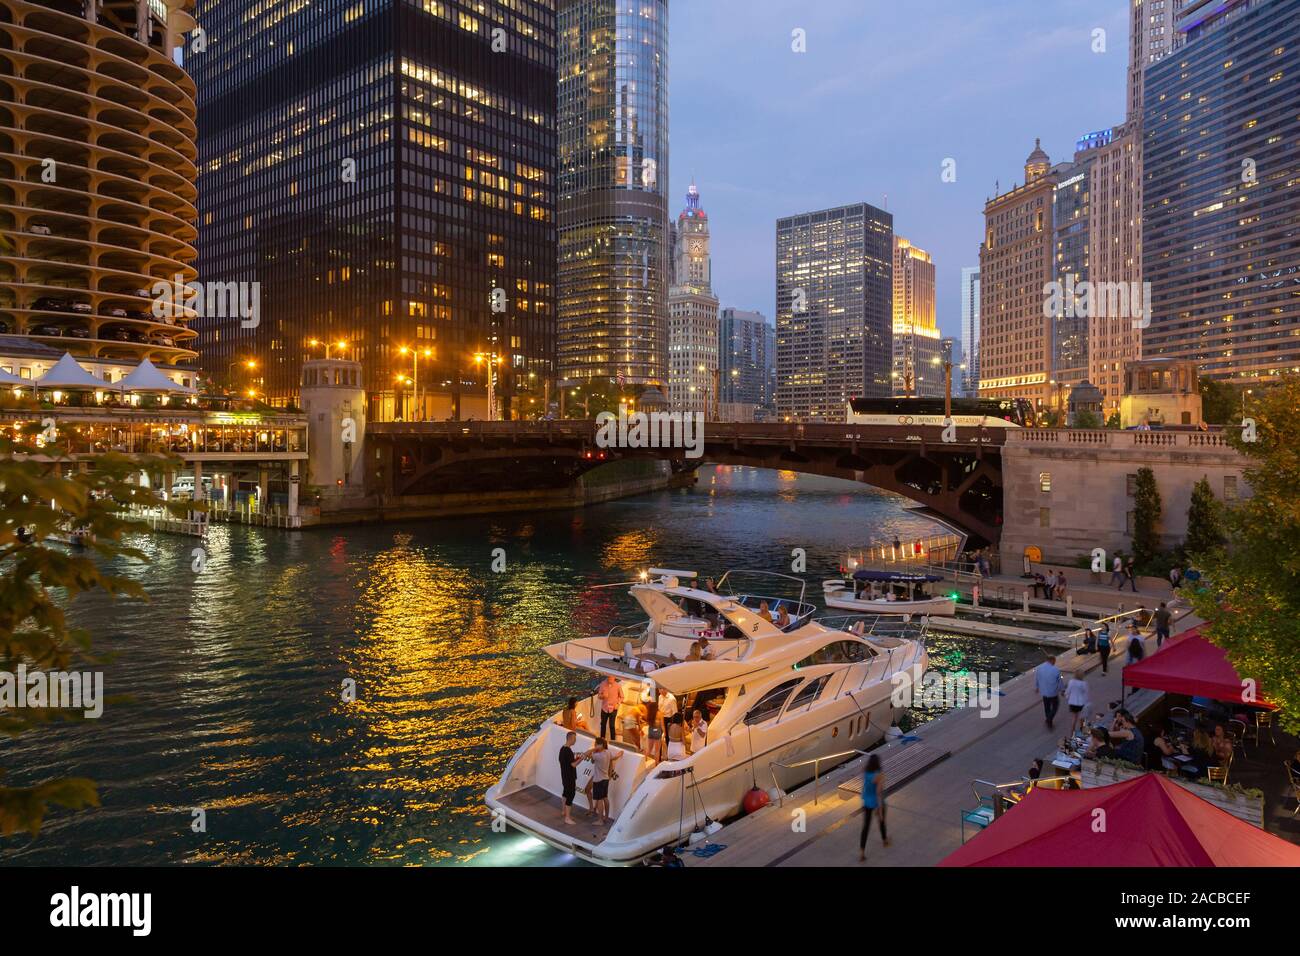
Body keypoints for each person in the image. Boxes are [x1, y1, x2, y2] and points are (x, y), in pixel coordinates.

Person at [858, 753, 889, 861]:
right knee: (881, 822)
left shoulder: (866, 771)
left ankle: (862, 852)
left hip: (866, 802)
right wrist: (879, 809)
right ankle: (885, 841)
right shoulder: (879, 775)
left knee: (865, 827)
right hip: (875, 802)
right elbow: (878, 793)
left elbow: (863, 772)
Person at [588, 737, 623, 824]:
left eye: (596, 744)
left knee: (599, 800)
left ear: (601, 745)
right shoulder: (607, 752)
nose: (594, 745)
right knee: (605, 798)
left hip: (598, 780)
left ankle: (600, 820)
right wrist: (620, 753)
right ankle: (606, 817)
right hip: (605, 779)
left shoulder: (597, 756)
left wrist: (594, 749)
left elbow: (588, 755)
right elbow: (614, 757)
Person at [558, 731, 583, 825]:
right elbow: (573, 764)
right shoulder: (568, 751)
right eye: (575, 739)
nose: (575, 741)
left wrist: (575, 758)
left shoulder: (562, 749)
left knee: (565, 793)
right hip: (569, 777)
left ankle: (563, 811)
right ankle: (567, 818)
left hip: (564, 776)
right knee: (570, 795)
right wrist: (581, 758)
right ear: (570, 738)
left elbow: (566, 762)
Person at [1035, 655, 1064, 729]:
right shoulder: (1056, 669)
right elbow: (1060, 681)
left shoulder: (1039, 668)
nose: (1055, 663)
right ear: (1052, 660)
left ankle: (1048, 719)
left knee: (1047, 707)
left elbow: (1037, 678)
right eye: (1054, 661)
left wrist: (1037, 687)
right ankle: (1049, 719)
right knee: (1055, 706)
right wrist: (1062, 690)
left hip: (1044, 691)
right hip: (1053, 692)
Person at [1065, 670, 1091, 736]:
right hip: (1081, 703)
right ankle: (1082, 731)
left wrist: (1067, 696)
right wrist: (1087, 702)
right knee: (1082, 718)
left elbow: (1068, 691)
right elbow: (1086, 693)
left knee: (1074, 718)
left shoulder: (1071, 682)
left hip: (1072, 703)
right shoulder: (1084, 683)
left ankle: (1072, 732)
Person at [597, 675, 622, 741]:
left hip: (613, 709)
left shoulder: (618, 686)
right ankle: (602, 740)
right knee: (603, 725)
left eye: (611, 676)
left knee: (612, 726)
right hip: (604, 708)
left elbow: (622, 697)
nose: (610, 678)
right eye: (609, 676)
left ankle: (613, 741)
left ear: (614, 677)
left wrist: (618, 704)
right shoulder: (603, 684)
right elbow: (599, 696)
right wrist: (602, 696)